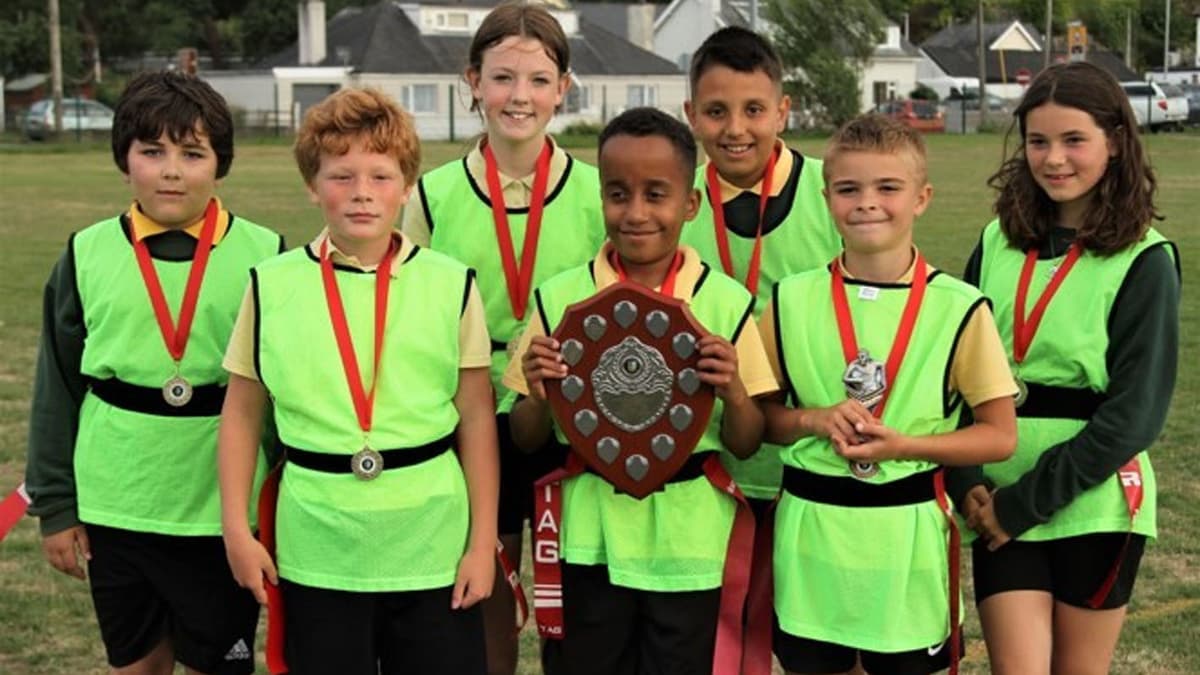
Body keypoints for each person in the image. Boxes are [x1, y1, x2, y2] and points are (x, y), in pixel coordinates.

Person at [218, 88, 499, 675]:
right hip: (319, 543)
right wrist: (237, 532)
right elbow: (242, 414)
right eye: (341, 176)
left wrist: (481, 543)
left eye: (381, 176)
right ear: (312, 185)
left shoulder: (452, 283)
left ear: (407, 185)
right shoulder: (271, 284)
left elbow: (476, 416)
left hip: (432, 542)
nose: (362, 192)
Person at [24, 70, 284, 674]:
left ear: (220, 164)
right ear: (125, 159)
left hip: (222, 510)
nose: (171, 171)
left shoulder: (267, 256)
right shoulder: (86, 253)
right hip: (118, 505)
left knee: (218, 664)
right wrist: (56, 506)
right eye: (152, 152)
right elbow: (56, 387)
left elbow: (282, 394)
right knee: (138, 665)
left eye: (192, 153)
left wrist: (284, 497)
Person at [503, 107, 778, 675]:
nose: (635, 213)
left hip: (690, 540)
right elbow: (527, 438)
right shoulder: (560, 298)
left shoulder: (725, 302)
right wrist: (535, 394)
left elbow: (747, 442)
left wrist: (735, 394)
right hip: (589, 535)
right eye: (617, 194)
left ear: (691, 203)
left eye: (656, 195)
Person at [760, 114, 1017, 675]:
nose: (867, 203)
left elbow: (999, 436)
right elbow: (762, 421)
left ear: (921, 198)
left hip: (906, 541)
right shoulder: (789, 300)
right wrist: (813, 420)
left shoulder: (960, 306)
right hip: (811, 539)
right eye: (849, 189)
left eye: (888, 188)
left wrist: (904, 446)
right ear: (827, 199)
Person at [950, 61, 1180, 675]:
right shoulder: (996, 240)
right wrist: (967, 476)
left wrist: (1025, 503)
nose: (1054, 159)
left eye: (1074, 140)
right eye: (1038, 141)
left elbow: (1133, 417)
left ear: (1115, 141)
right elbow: (955, 370)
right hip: (995, 498)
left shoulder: (1146, 259)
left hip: (1093, 502)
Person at [401, 4, 606, 671]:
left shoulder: (597, 194)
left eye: (539, 80)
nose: (520, 96)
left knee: (569, 588)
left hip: (564, 409)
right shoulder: (431, 195)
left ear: (563, 88)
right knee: (484, 579)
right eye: (503, 78)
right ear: (473, 81)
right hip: (467, 412)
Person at [682, 25, 842, 512]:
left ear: (782, 111)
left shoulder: (835, 195)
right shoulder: (672, 204)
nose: (735, 129)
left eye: (754, 110)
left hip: (812, 463)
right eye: (716, 112)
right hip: (703, 464)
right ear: (691, 115)